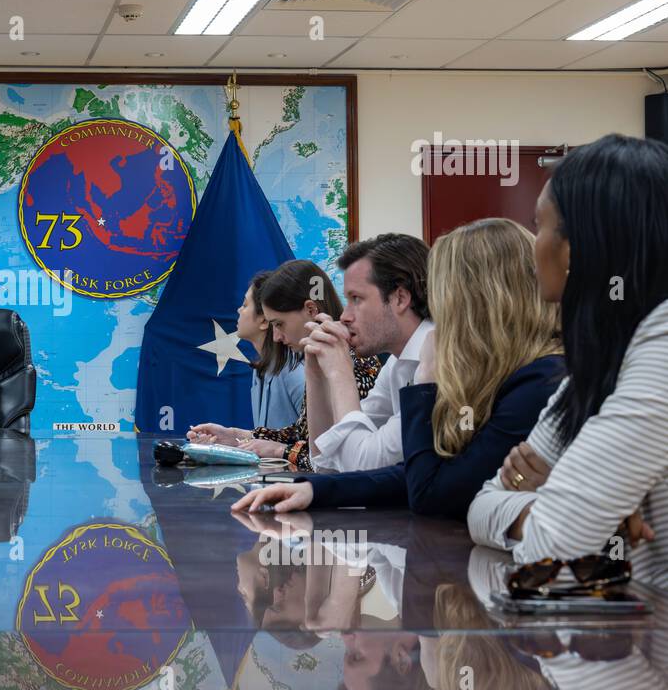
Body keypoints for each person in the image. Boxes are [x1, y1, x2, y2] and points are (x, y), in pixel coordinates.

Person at [234, 219, 564, 518]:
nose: (436, 310)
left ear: (483, 302)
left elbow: (430, 490)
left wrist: (351, 374)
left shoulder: (538, 380)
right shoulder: (480, 371)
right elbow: (353, 466)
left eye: (356, 299)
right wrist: (316, 489)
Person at [468, 134, 668, 572]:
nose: (532, 248)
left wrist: (550, 505)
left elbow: (551, 548)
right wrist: (560, 502)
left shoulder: (662, 345)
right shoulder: (598, 365)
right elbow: (480, 508)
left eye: (539, 226)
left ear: (576, 250)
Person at [189, 259, 381, 472]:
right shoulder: (318, 357)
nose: (277, 337)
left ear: (310, 309)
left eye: (279, 324)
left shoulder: (352, 361)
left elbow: (340, 461)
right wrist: (236, 435)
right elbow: (301, 433)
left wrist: (278, 451)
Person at [301, 233, 432, 473]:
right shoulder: (397, 364)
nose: (344, 316)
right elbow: (325, 464)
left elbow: (363, 464)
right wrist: (316, 375)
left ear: (400, 298)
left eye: (356, 299)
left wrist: (341, 373)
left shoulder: (441, 359)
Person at [242, 270, 306, 430]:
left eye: (244, 305)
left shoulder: (295, 371)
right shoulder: (260, 370)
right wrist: (233, 437)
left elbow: (316, 442)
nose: (239, 310)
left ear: (264, 321)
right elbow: (270, 439)